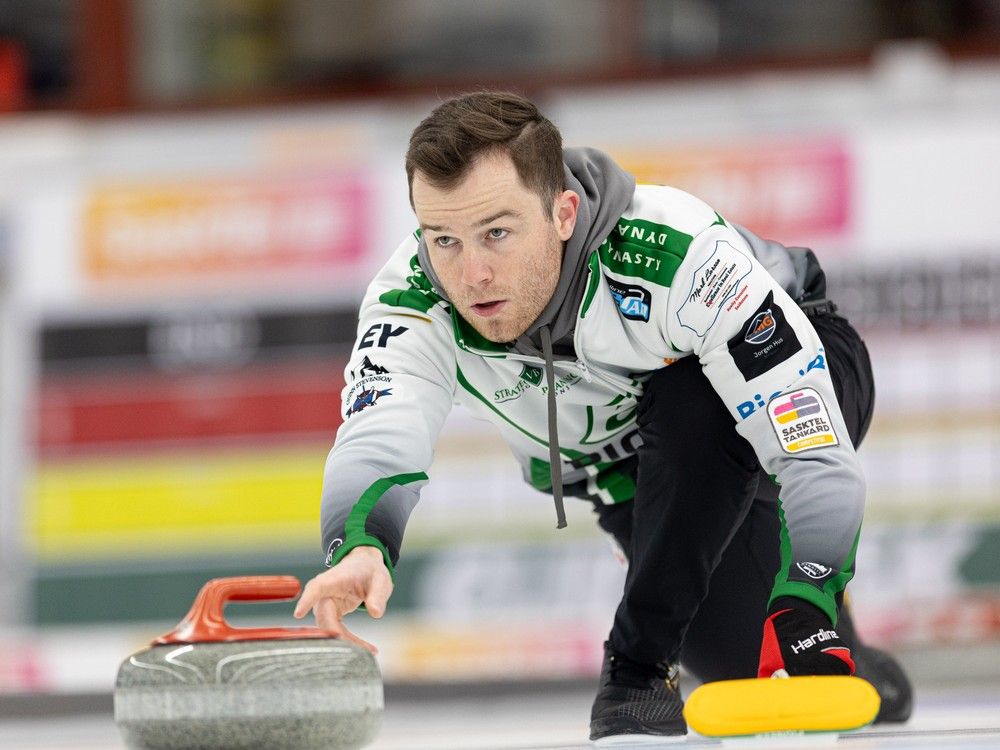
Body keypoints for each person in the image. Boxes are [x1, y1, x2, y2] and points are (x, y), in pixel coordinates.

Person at [293, 91, 912, 742]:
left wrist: (809, 585)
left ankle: (637, 668)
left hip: (801, 364)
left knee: (693, 400)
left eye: (497, 233)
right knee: (740, 663)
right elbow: (380, 430)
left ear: (562, 214)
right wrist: (360, 541)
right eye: (443, 238)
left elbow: (808, 443)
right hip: (636, 463)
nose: (471, 274)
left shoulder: (677, 253)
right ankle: (863, 667)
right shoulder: (411, 303)